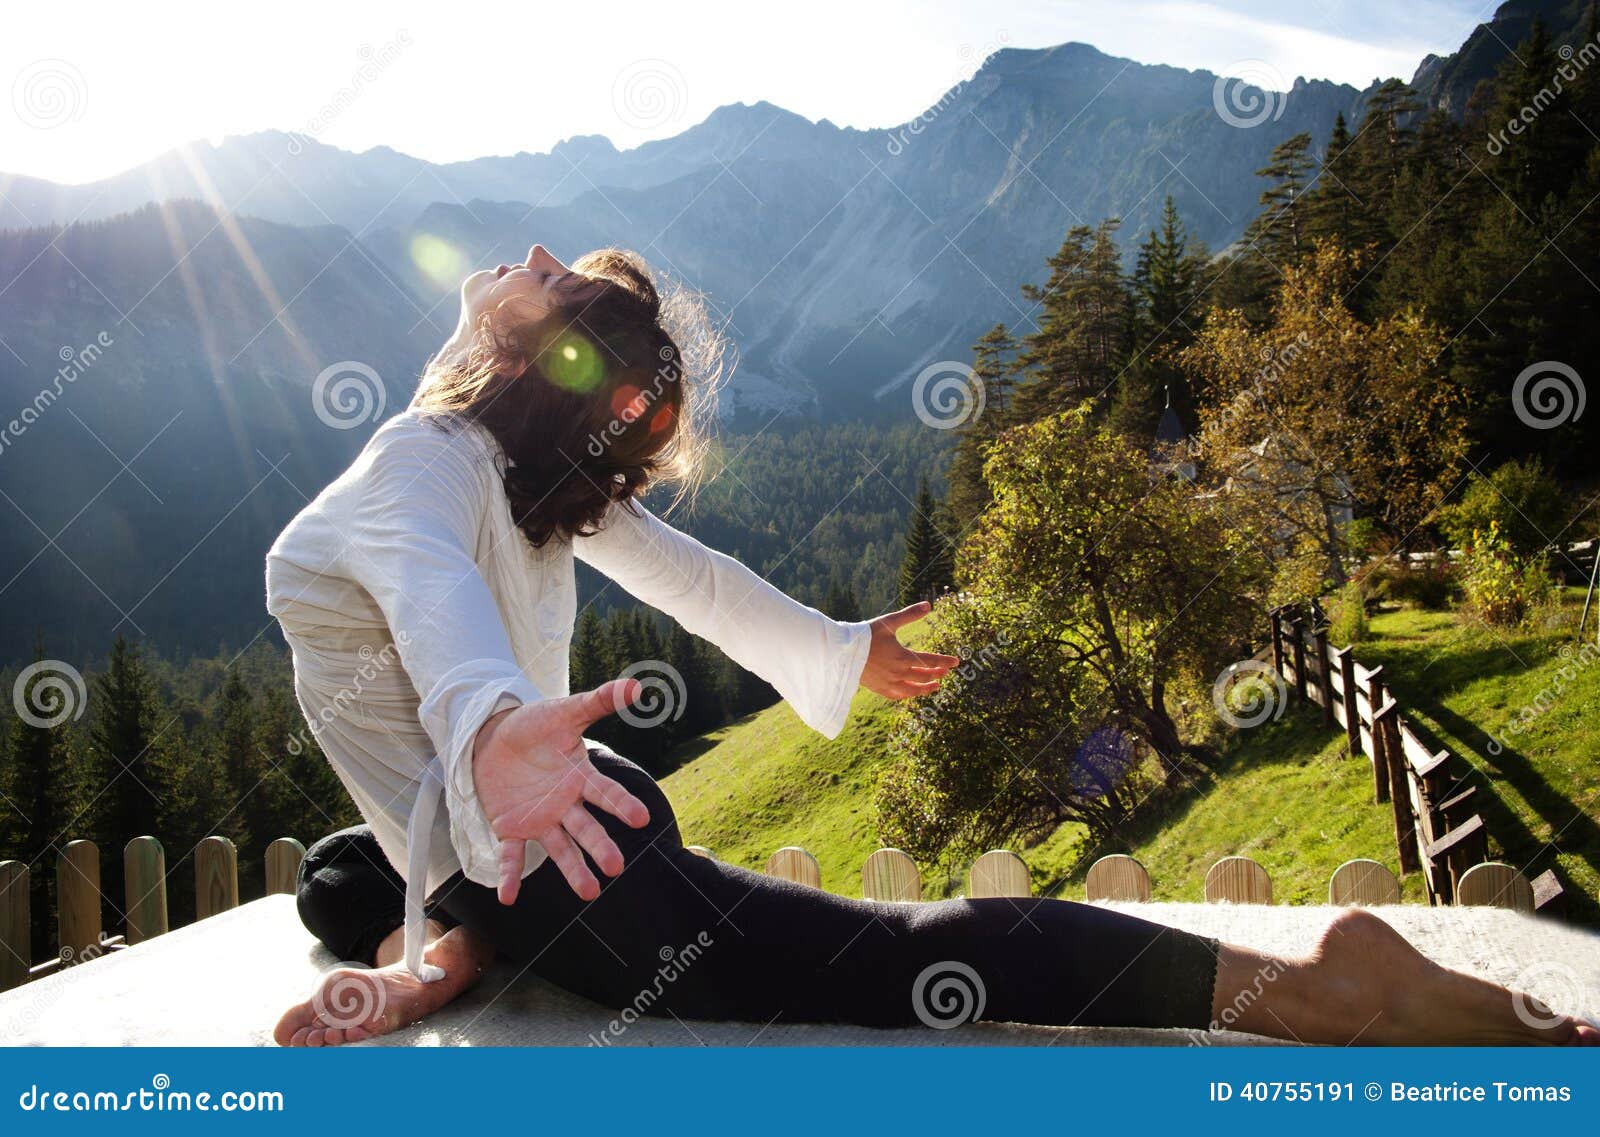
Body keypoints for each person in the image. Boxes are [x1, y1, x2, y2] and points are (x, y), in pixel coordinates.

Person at [266, 245, 1596, 1048]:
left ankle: (1308, 987)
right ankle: (460, 941)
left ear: (524, 359)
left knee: (908, 958)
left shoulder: (447, 461)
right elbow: (464, 544)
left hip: (575, 854)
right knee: (340, 873)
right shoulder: (458, 458)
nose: (535, 252)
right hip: (560, 838)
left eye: (546, 279)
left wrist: (492, 723)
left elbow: (487, 584)